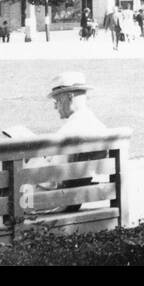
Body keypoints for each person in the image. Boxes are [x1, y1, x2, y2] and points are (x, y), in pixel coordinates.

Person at [29, 71, 109, 216]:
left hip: (55, 201)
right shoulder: (98, 126)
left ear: (69, 97)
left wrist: (33, 161)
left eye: (56, 101)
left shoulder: (68, 132)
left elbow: (51, 181)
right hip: (74, 199)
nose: (55, 107)